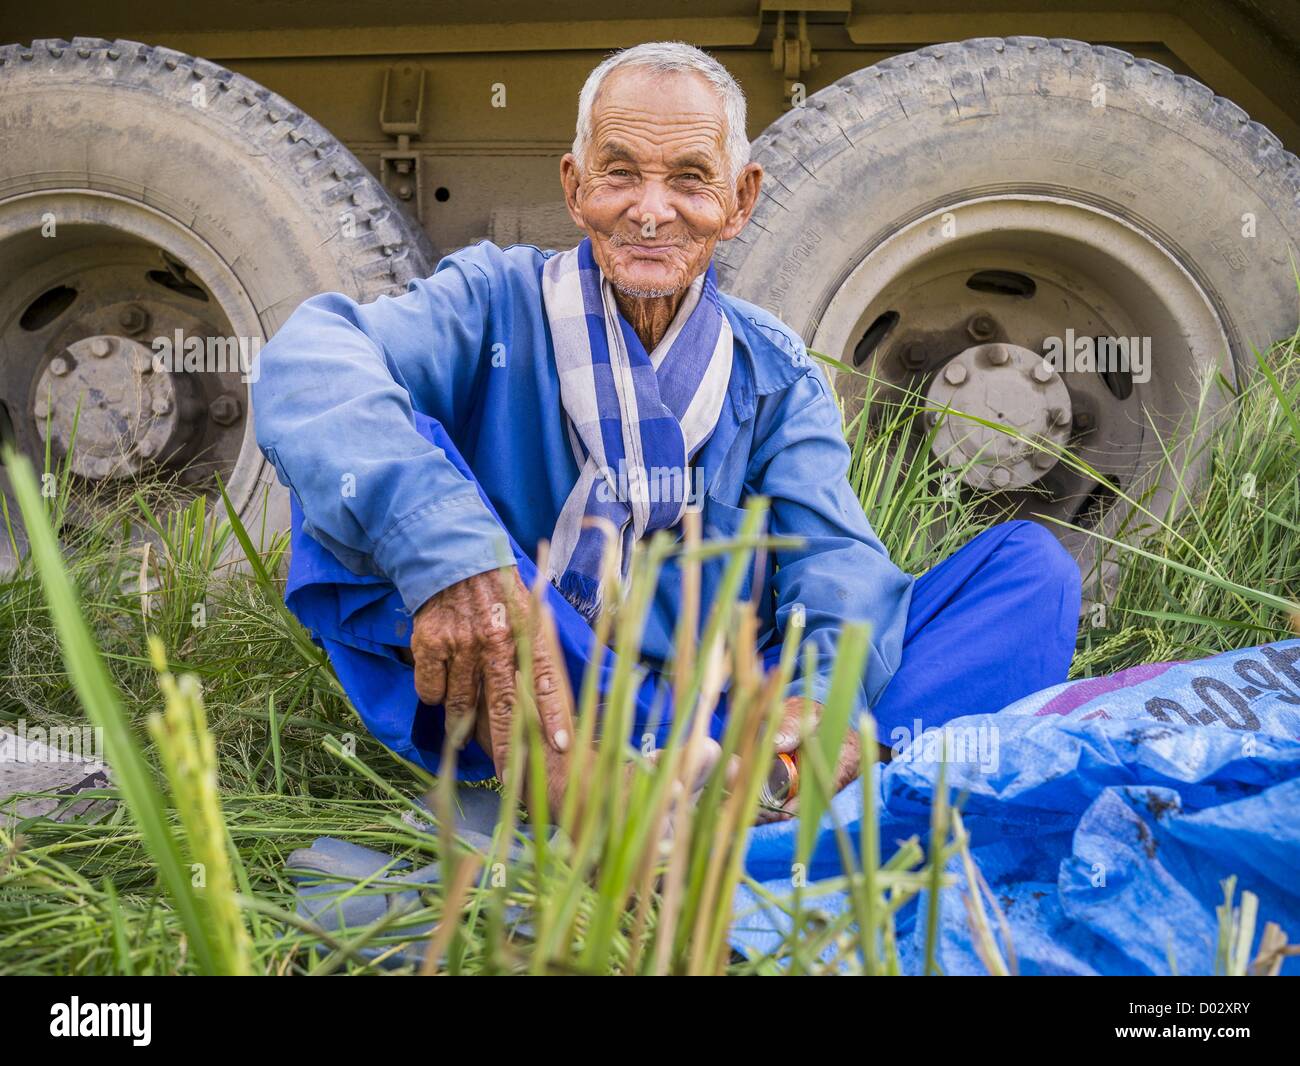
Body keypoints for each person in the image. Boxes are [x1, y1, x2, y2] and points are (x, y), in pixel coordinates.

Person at [251, 41, 1080, 816]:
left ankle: (753, 780)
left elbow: (834, 556)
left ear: (740, 200)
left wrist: (819, 697)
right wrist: (450, 555)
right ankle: (760, 797)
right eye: (621, 174)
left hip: (724, 701)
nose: (652, 212)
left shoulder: (772, 369)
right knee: (388, 457)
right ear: (575, 188)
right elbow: (313, 361)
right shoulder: (493, 300)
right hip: (543, 670)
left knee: (1030, 574)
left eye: (689, 178)